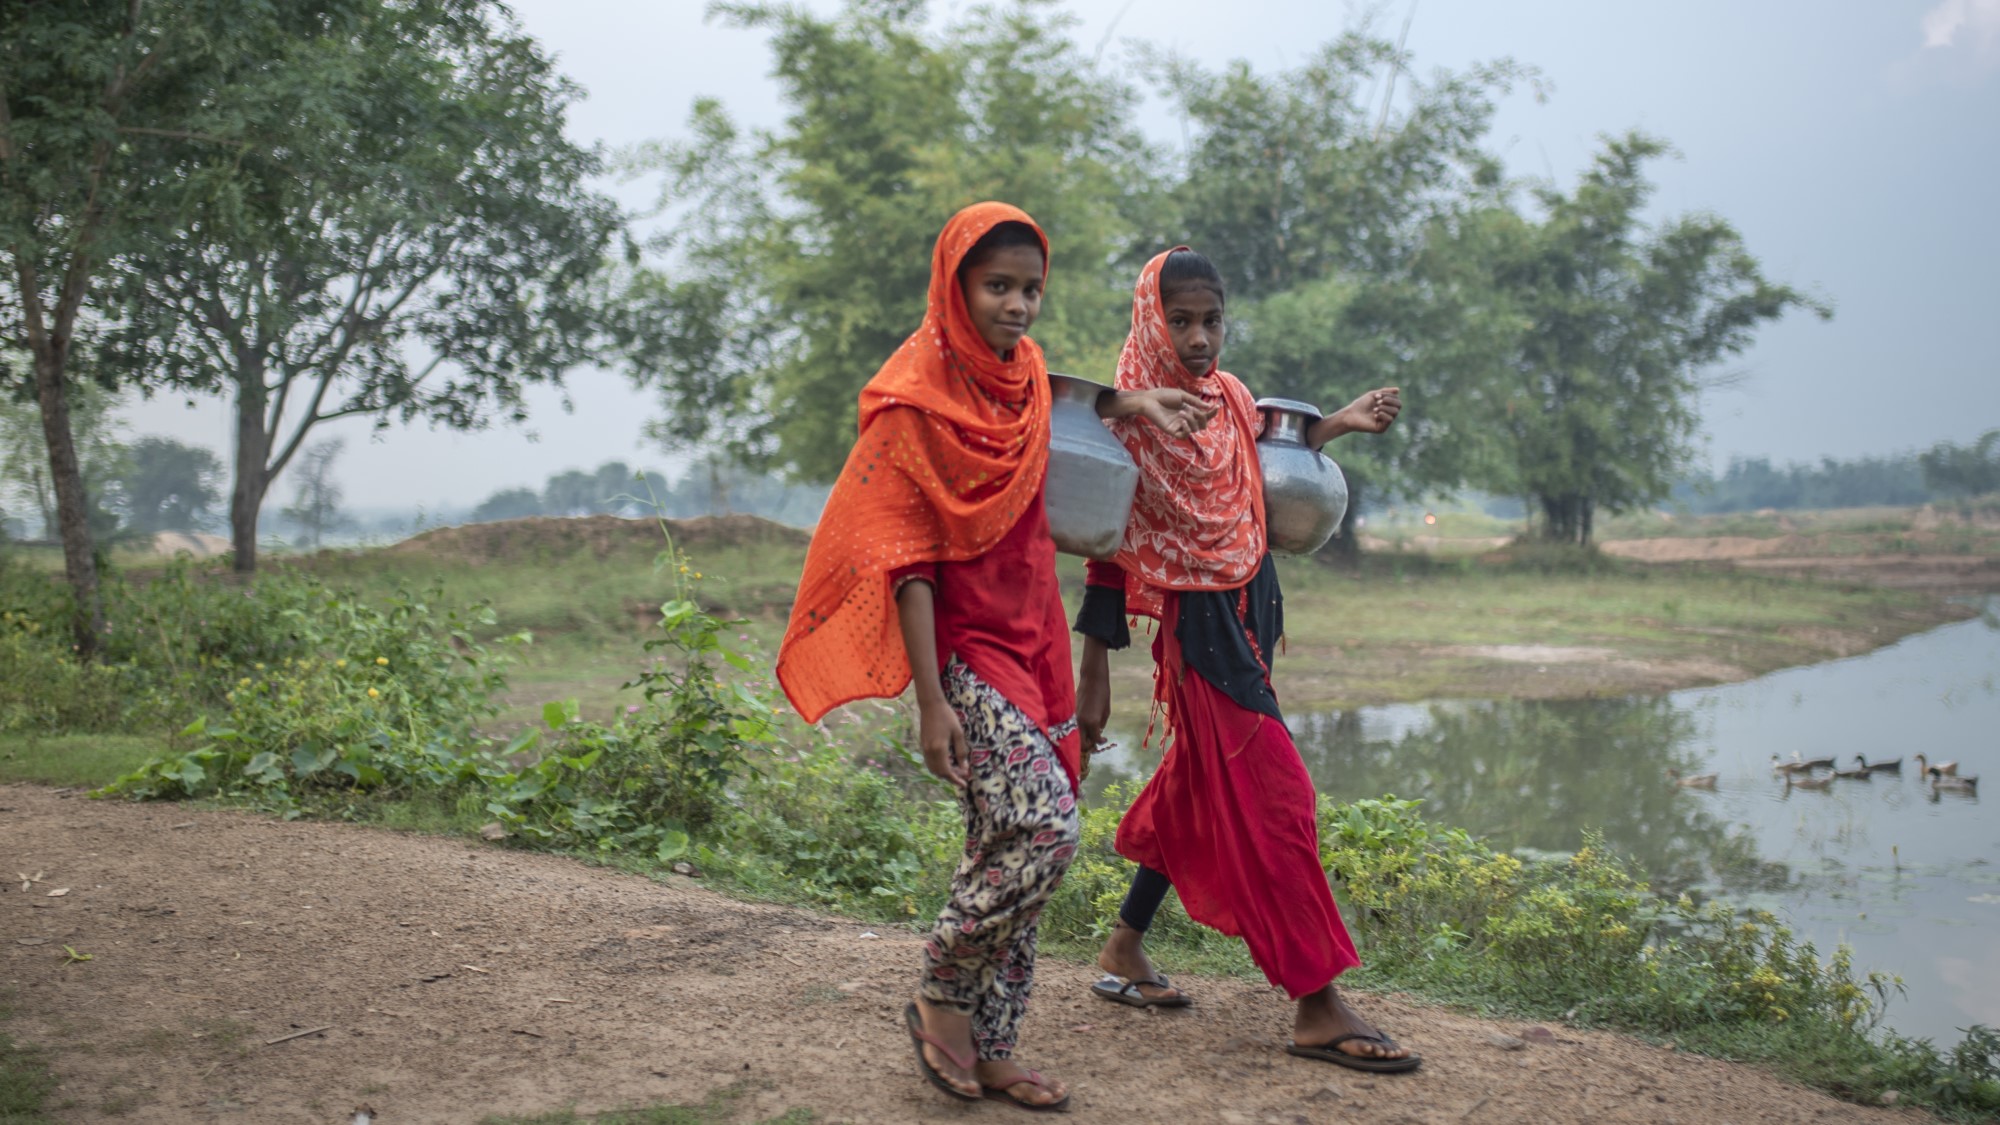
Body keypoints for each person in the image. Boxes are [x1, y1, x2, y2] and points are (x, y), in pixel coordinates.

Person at [775, 203, 1212, 1110]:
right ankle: (940, 994)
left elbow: (1069, 409)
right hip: (966, 652)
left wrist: (1135, 400)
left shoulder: (1024, 378)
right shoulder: (913, 402)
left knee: (1001, 838)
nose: (1018, 305)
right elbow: (908, 566)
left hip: (1038, 641)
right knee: (1046, 830)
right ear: (955, 285)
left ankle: (993, 1040)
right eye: (998, 286)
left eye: (1031, 289)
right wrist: (932, 700)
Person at [1073, 246, 1420, 1074]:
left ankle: (1124, 946)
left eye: (1212, 320)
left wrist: (1337, 423)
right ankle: (1316, 1002)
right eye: (1181, 321)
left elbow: (1256, 469)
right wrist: (1093, 671)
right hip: (1200, 632)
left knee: (1195, 785)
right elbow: (1103, 547)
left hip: (1251, 603)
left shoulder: (1228, 396)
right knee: (1277, 796)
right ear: (1154, 321)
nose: (1199, 339)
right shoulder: (1129, 417)